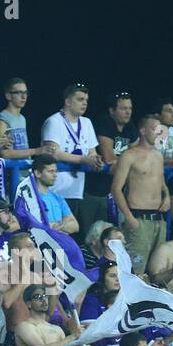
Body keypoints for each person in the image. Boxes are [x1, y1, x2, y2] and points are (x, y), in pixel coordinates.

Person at [39, 84, 106, 236]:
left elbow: (92, 151)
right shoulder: (54, 122)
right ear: (68, 102)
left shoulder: (87, 123)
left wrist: (96, 159)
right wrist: (84, 159)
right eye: (80, 99)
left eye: (86, 100)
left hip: (76, 191)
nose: (84, 103)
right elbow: (53, 153)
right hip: (54, 189)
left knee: (72, 236)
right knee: (54, 233)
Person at [111, 113, 171, 271]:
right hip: (139, 218)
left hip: (159, 220)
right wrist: (129, 217)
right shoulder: (129, 155)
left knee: (158, 270)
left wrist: (167, 196)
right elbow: (116, 189)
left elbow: (161, 181)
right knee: (136, 270)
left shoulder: (158, 155)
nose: (158, 133)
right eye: (154, 129)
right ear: (143, 131)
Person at [0, 77, 54, 162]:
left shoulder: (22, 118)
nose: (24, 96)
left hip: (23, 169)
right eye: (19, 93)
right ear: (8, 96)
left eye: (25, 92)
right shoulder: (2, 120)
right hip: (11, 171)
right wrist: (36, 151)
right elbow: (3, 153)